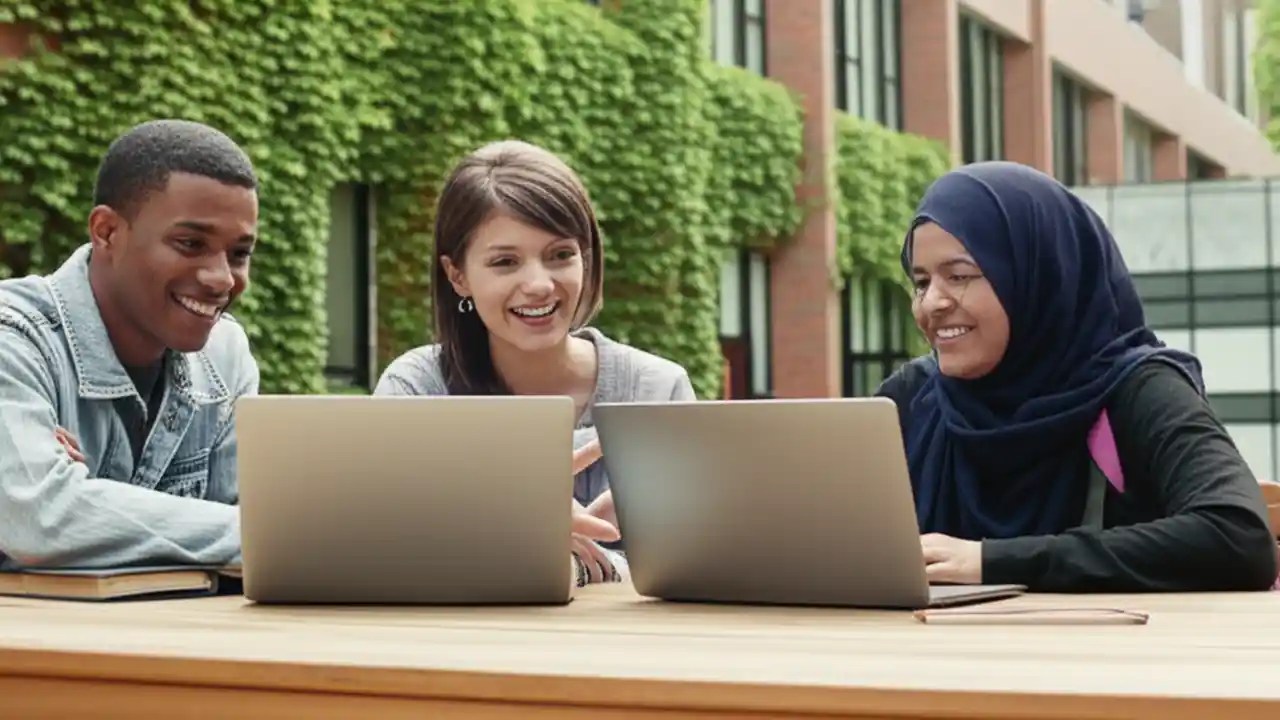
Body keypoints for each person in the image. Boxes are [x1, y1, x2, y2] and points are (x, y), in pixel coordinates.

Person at [877, 161, 1277, 593]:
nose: (931, 303)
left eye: (958, 276)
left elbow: (1238, 537)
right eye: (920, 282)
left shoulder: (1137, 389)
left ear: (1037, 276)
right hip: (924, 654)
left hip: (1109, 654)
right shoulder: (914, 398)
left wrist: (991, 561)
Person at [374, 140, 695, 585]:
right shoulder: (416, 389)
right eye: (505, 262)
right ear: (457, 275)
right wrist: (519, 534)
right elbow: (384, 552)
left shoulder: (657, 391)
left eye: (560, 255)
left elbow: (692, 569)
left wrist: (581, 566)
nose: (540, 284)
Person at [0, 119, 260, 569]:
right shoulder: (16, 339)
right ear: (106, 233)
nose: (222, 278)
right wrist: (261, 534)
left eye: (238, 254)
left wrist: (83, 500)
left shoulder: (226, 354)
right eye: (190, 243)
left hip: (173, 637)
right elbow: (43, 520)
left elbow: (253, 534)